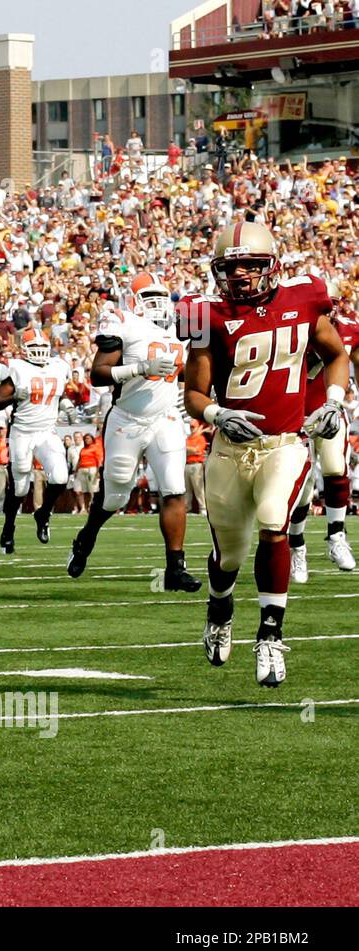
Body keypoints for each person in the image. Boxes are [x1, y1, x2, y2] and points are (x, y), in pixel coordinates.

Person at [181, 221, 350, 687]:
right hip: (229, 450)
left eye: (249, 266)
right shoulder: (206, 315)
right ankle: (219, 608)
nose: (239, 277)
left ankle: (271, 635)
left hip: (284, 445)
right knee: (228, 555)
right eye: (230, 268)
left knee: (276, 523)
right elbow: (193, 392)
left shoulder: (304, 298)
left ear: (272, 266)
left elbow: (337, 354)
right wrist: (216, 414)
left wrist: (334, 402)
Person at [67, 274, 201, 592]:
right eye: (148, 295)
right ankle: (86, 537)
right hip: (126, 419)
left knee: (173, 489)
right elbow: (98, 375)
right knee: (115, 496)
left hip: (165, 417)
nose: (155, 302)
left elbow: (191, 369)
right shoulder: (122, 321)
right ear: (133, 298)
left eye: (160, 296)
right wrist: (140, 369)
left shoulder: (181, 329)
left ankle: (176, 568)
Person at [287, 287, 359, 582]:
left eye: (332, 304)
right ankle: (296, 547)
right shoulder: (293, 326)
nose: (328, 309)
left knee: (334, 467)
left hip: (329, 409)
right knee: (301, 486)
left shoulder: (350, 329)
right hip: (294, 413)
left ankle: (336, 536)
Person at [0, 329, 72, 553]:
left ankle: (43, 513)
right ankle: (8, 529)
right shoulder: (16, 368)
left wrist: (66, 405)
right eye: (34, 348)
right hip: (22, 433)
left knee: (60, 476)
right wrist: (15, 396)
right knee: (19, 487)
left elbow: (56, 392)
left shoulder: (59, 366)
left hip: (47, 431)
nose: (39, 353)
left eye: (43, 348)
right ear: (24, 350)